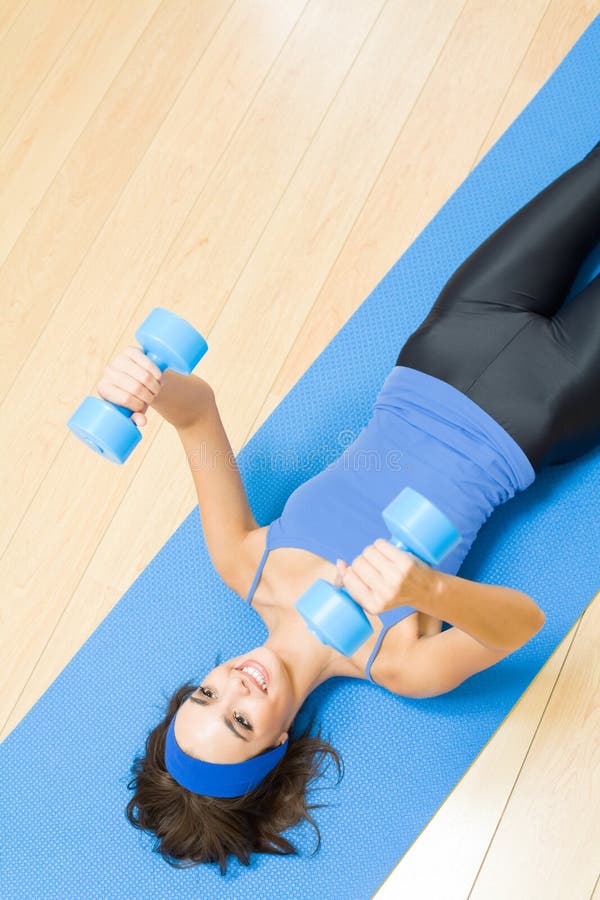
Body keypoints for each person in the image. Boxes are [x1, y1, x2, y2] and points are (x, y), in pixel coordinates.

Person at [103, 140, 600, 872]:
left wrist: (150, 385)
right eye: (240, 721)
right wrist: (425, 589)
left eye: (205, 695)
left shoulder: (244, 563)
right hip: (542, 407)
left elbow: (196, 416)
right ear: (276, 746)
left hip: (446, 346)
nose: (236, 685)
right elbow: (523, 622)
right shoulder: (397, 663)